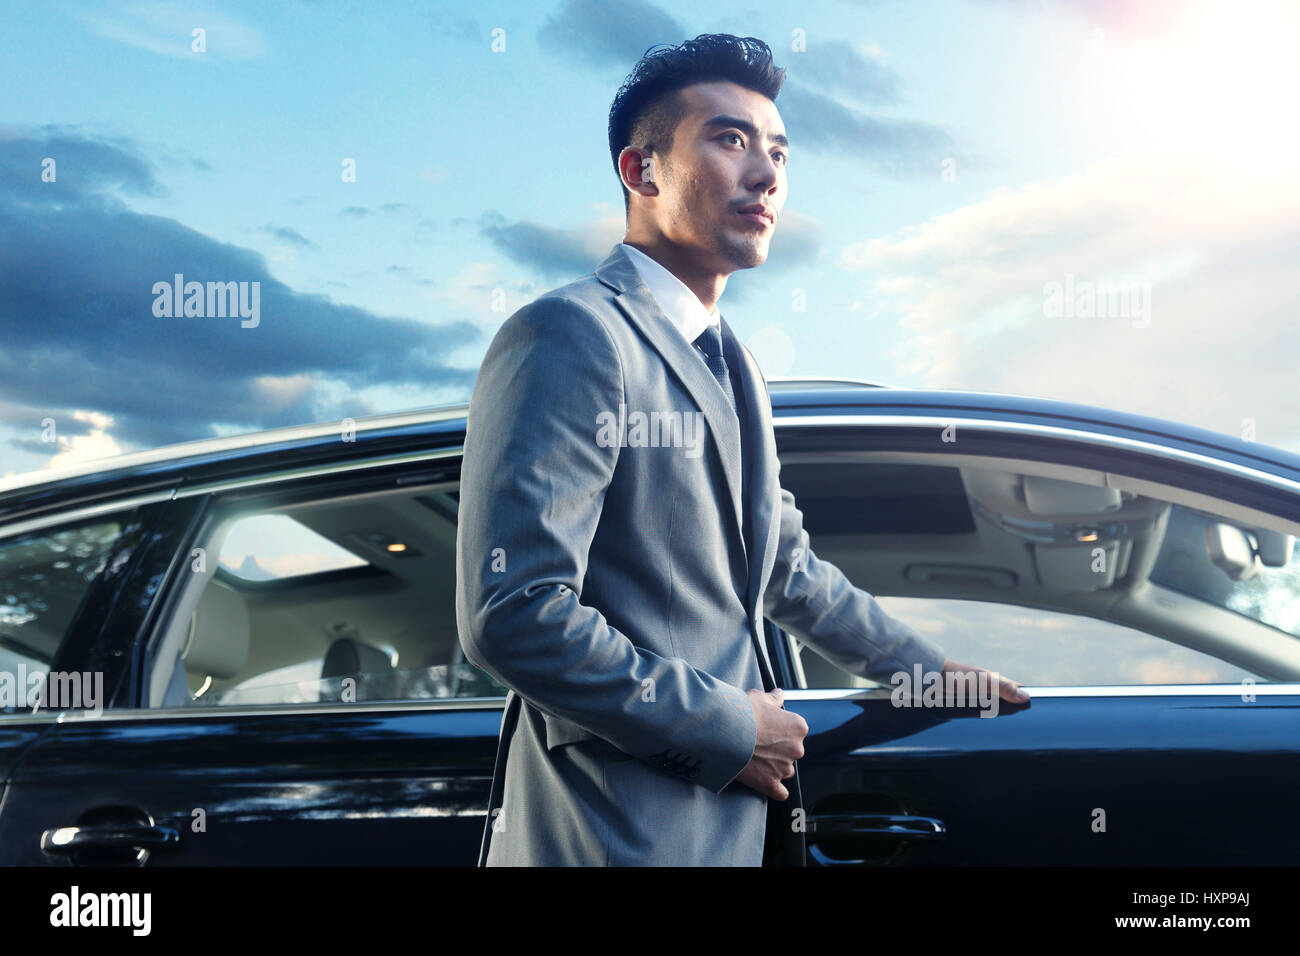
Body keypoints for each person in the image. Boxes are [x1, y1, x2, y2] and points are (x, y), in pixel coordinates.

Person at [455, 33, 1027, 867]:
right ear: (641, 170)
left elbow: (788, 569)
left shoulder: (738, 367)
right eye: (730, 140)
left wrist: (932, 675)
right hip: (614, 832)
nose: (766, 175)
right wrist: (728, 727)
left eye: (779, 152)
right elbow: (514, 613)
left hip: (735, 834)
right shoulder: (572, 334)